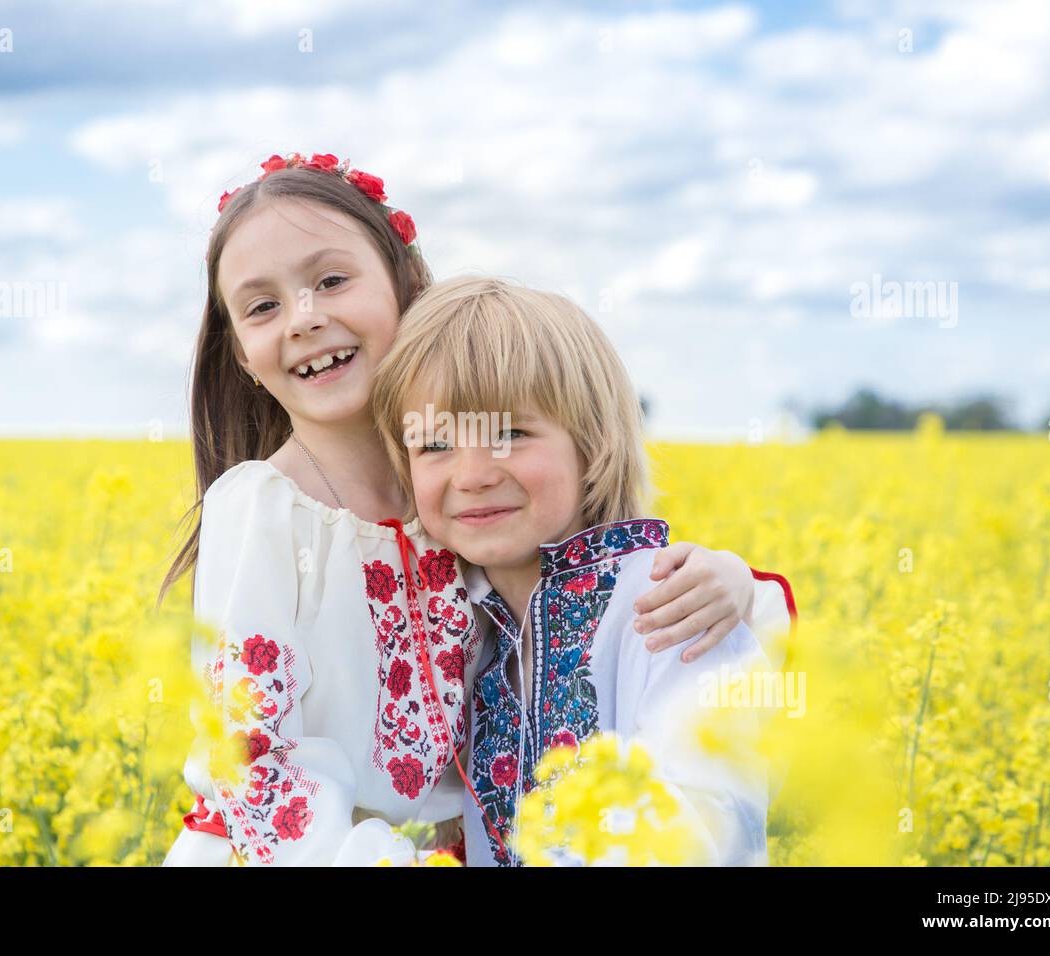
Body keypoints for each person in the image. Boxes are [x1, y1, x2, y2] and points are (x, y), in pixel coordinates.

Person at [159, 152, 777, 865]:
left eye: (331, 280)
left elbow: (628, 609)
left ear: (406, 285)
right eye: (262, 306)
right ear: (240, 353)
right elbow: (248, 761)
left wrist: (735, 581)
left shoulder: (450, 516)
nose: (304, 318)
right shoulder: (262, 510)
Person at [372, 276, 791, 865]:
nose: (471, 476)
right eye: (435, 445)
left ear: (592, 443)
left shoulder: (674, 602)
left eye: (510, 434)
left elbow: (710, 827)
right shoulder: (452, 626)